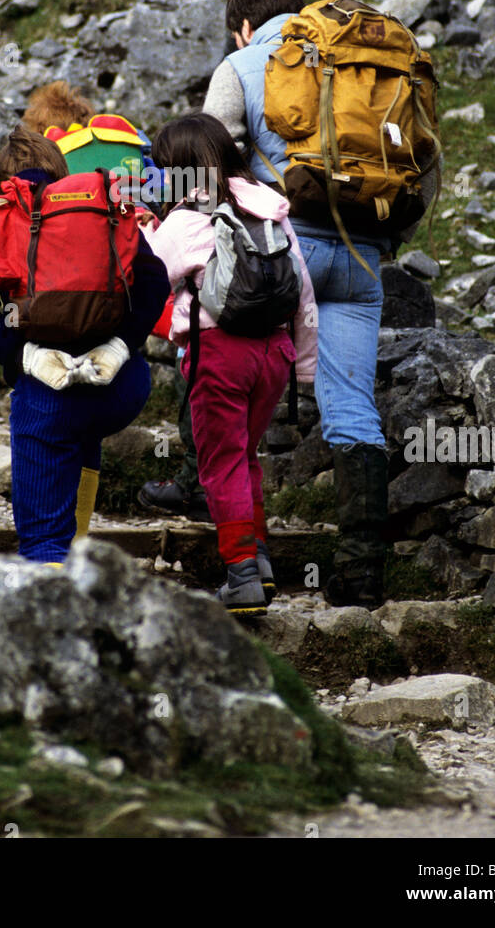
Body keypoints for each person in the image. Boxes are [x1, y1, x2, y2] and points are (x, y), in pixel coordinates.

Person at [201, 0, 438, 609]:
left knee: (230, 382)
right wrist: (385, 243)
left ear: (243, 25)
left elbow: (206, 163)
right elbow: (424, 166)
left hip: (279, 255)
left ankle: (247, 558)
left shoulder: (243, 63)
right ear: (297, 11)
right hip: (360, 256)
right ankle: (361, 574)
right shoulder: (362, 65)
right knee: (352, 405)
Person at [0, 123, 170, 563]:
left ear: (3, 183)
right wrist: (119, 347)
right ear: (60, 171)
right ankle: (80, 545)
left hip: (48, 391)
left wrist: (22, 355)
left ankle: (52, 569)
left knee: (42, 539)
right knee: (81, 431)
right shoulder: (101, 211)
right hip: (123, 386)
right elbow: (155, 281)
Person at [143, 113, 317, 615]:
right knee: (245, 459)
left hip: (220, 354)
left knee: (220, 465)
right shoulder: (268, 206)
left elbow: (145, 279)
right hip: (275, 354)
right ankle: (259, 567)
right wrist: (302, 364)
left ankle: (240, 575)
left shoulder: (180, 221)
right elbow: (302, 286)